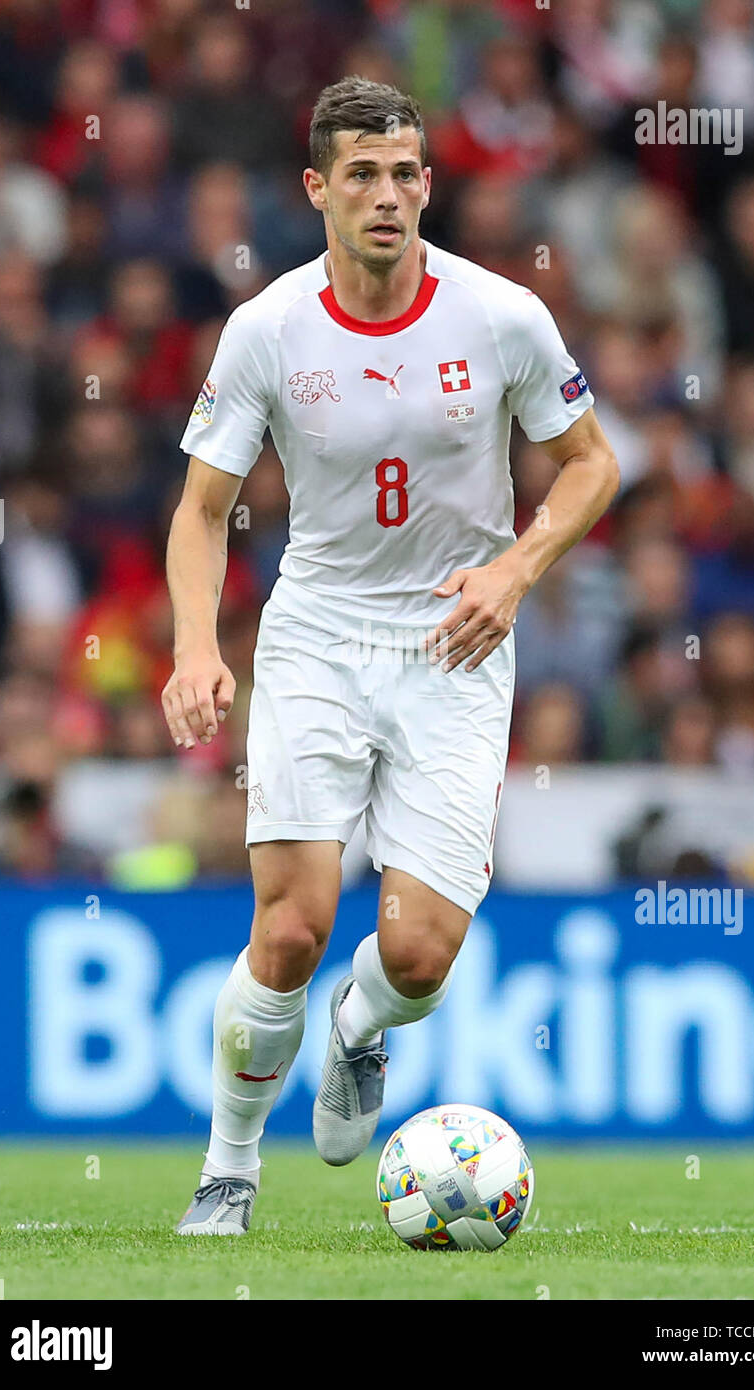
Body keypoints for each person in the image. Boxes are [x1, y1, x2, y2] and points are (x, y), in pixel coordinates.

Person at [162, 77, 619, 1235]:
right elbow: (202, 508)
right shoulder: (267, 326)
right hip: (317, 633)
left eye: (403, 172)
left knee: (415, 956)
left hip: (454, 645)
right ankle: (228, 1166)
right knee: (290, 927)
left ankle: (358, 1031)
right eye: (359, 174)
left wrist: (513, 571)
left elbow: (590, 463)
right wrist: (191, 646)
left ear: (428, 183)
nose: (385, 194)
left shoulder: (501, 316)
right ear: (316, 189)